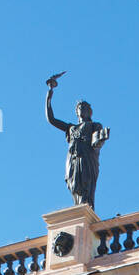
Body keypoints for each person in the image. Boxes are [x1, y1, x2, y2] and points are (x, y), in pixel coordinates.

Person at [45, 76, 110, 208]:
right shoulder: (71, 128)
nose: (82, 109)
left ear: (89, 111)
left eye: (84, 107)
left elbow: (97, 143)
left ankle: (85, 208)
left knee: (86, 184)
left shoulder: (94, 125)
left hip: (87, 158)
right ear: (76, 111)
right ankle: (78, 208)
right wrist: (49, 97)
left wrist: (100, 139)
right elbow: (51, 119)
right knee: (73, 184)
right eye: (80, 107)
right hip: (73, 157)